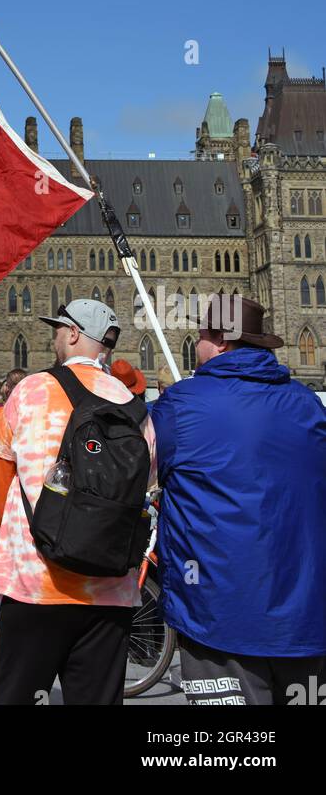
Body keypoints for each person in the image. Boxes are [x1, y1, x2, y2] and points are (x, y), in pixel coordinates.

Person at [152, 295, 326, 706]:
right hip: (306, 614)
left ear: (221, 342)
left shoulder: (182, 404)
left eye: (200, 336)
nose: (196, 345)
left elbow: (137, 474)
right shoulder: (307, 403)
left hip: (220, 613)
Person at [0, 299, 156, 705]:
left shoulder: (31, 389)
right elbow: (143, 486)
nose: (55, 336)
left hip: (34, 584)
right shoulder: (135, 409)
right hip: (109, 590)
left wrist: (19, 534)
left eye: (59, 329)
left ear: (76, 334)